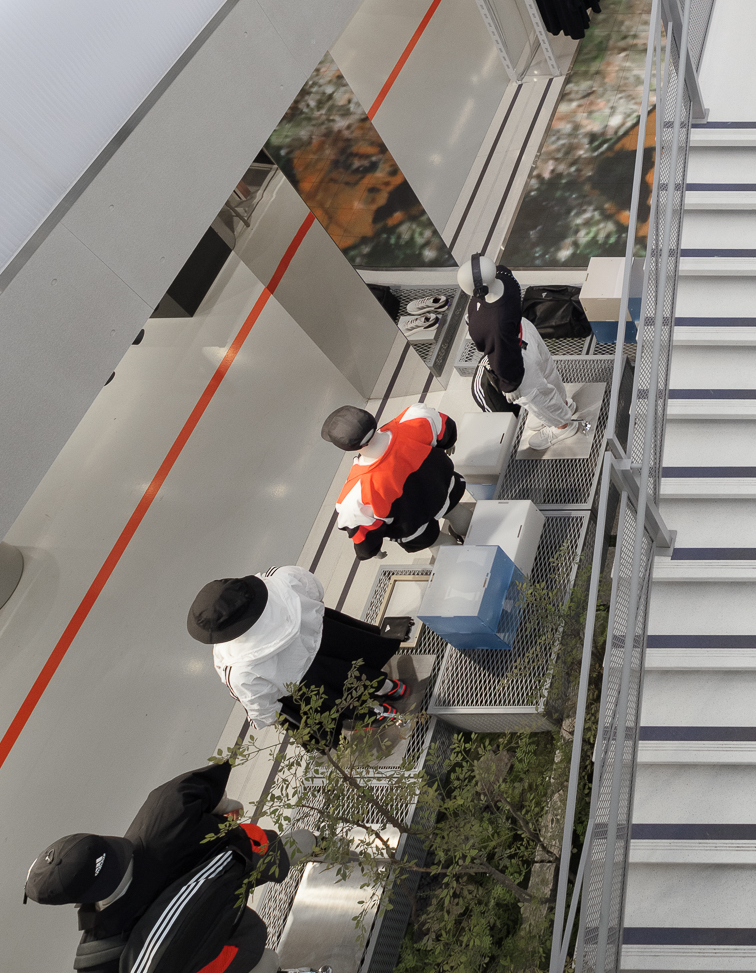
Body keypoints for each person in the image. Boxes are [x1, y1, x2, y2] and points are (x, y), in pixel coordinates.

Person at [24, 763, 331, 973]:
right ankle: (321, 847)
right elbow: (228, 804)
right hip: (241, 860)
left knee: (254, 967)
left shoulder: (97, 962)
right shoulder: (167, 806)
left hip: (217, 936)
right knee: (283, 849)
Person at [186, 567, 413, 740]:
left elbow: (260, 704)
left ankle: (380, 712)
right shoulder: (277, 580)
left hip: (308, 681)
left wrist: (266, 717)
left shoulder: (235, 667)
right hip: (330, 636)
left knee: (345, 698)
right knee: (358, 665)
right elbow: (313, 588)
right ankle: (391, 687)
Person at [465, 256, 590, 446]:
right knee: (547, 373)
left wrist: (510, 385)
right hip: (525, 331)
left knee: (537, 397)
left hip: (518, 358)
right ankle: (564, 405)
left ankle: (562, 426)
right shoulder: (504, 276)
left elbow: (503, 356)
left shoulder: (494, 323)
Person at [324, 402, 467, 556]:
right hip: (442, 488)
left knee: (439, 543)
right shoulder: (414, 419)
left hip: (412, 523)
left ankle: (463, 556)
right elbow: (444, 428)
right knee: (458, 514)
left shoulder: (355, 493)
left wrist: (373, 551)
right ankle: (477, 533)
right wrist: (449, 442)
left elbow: (363, 531)